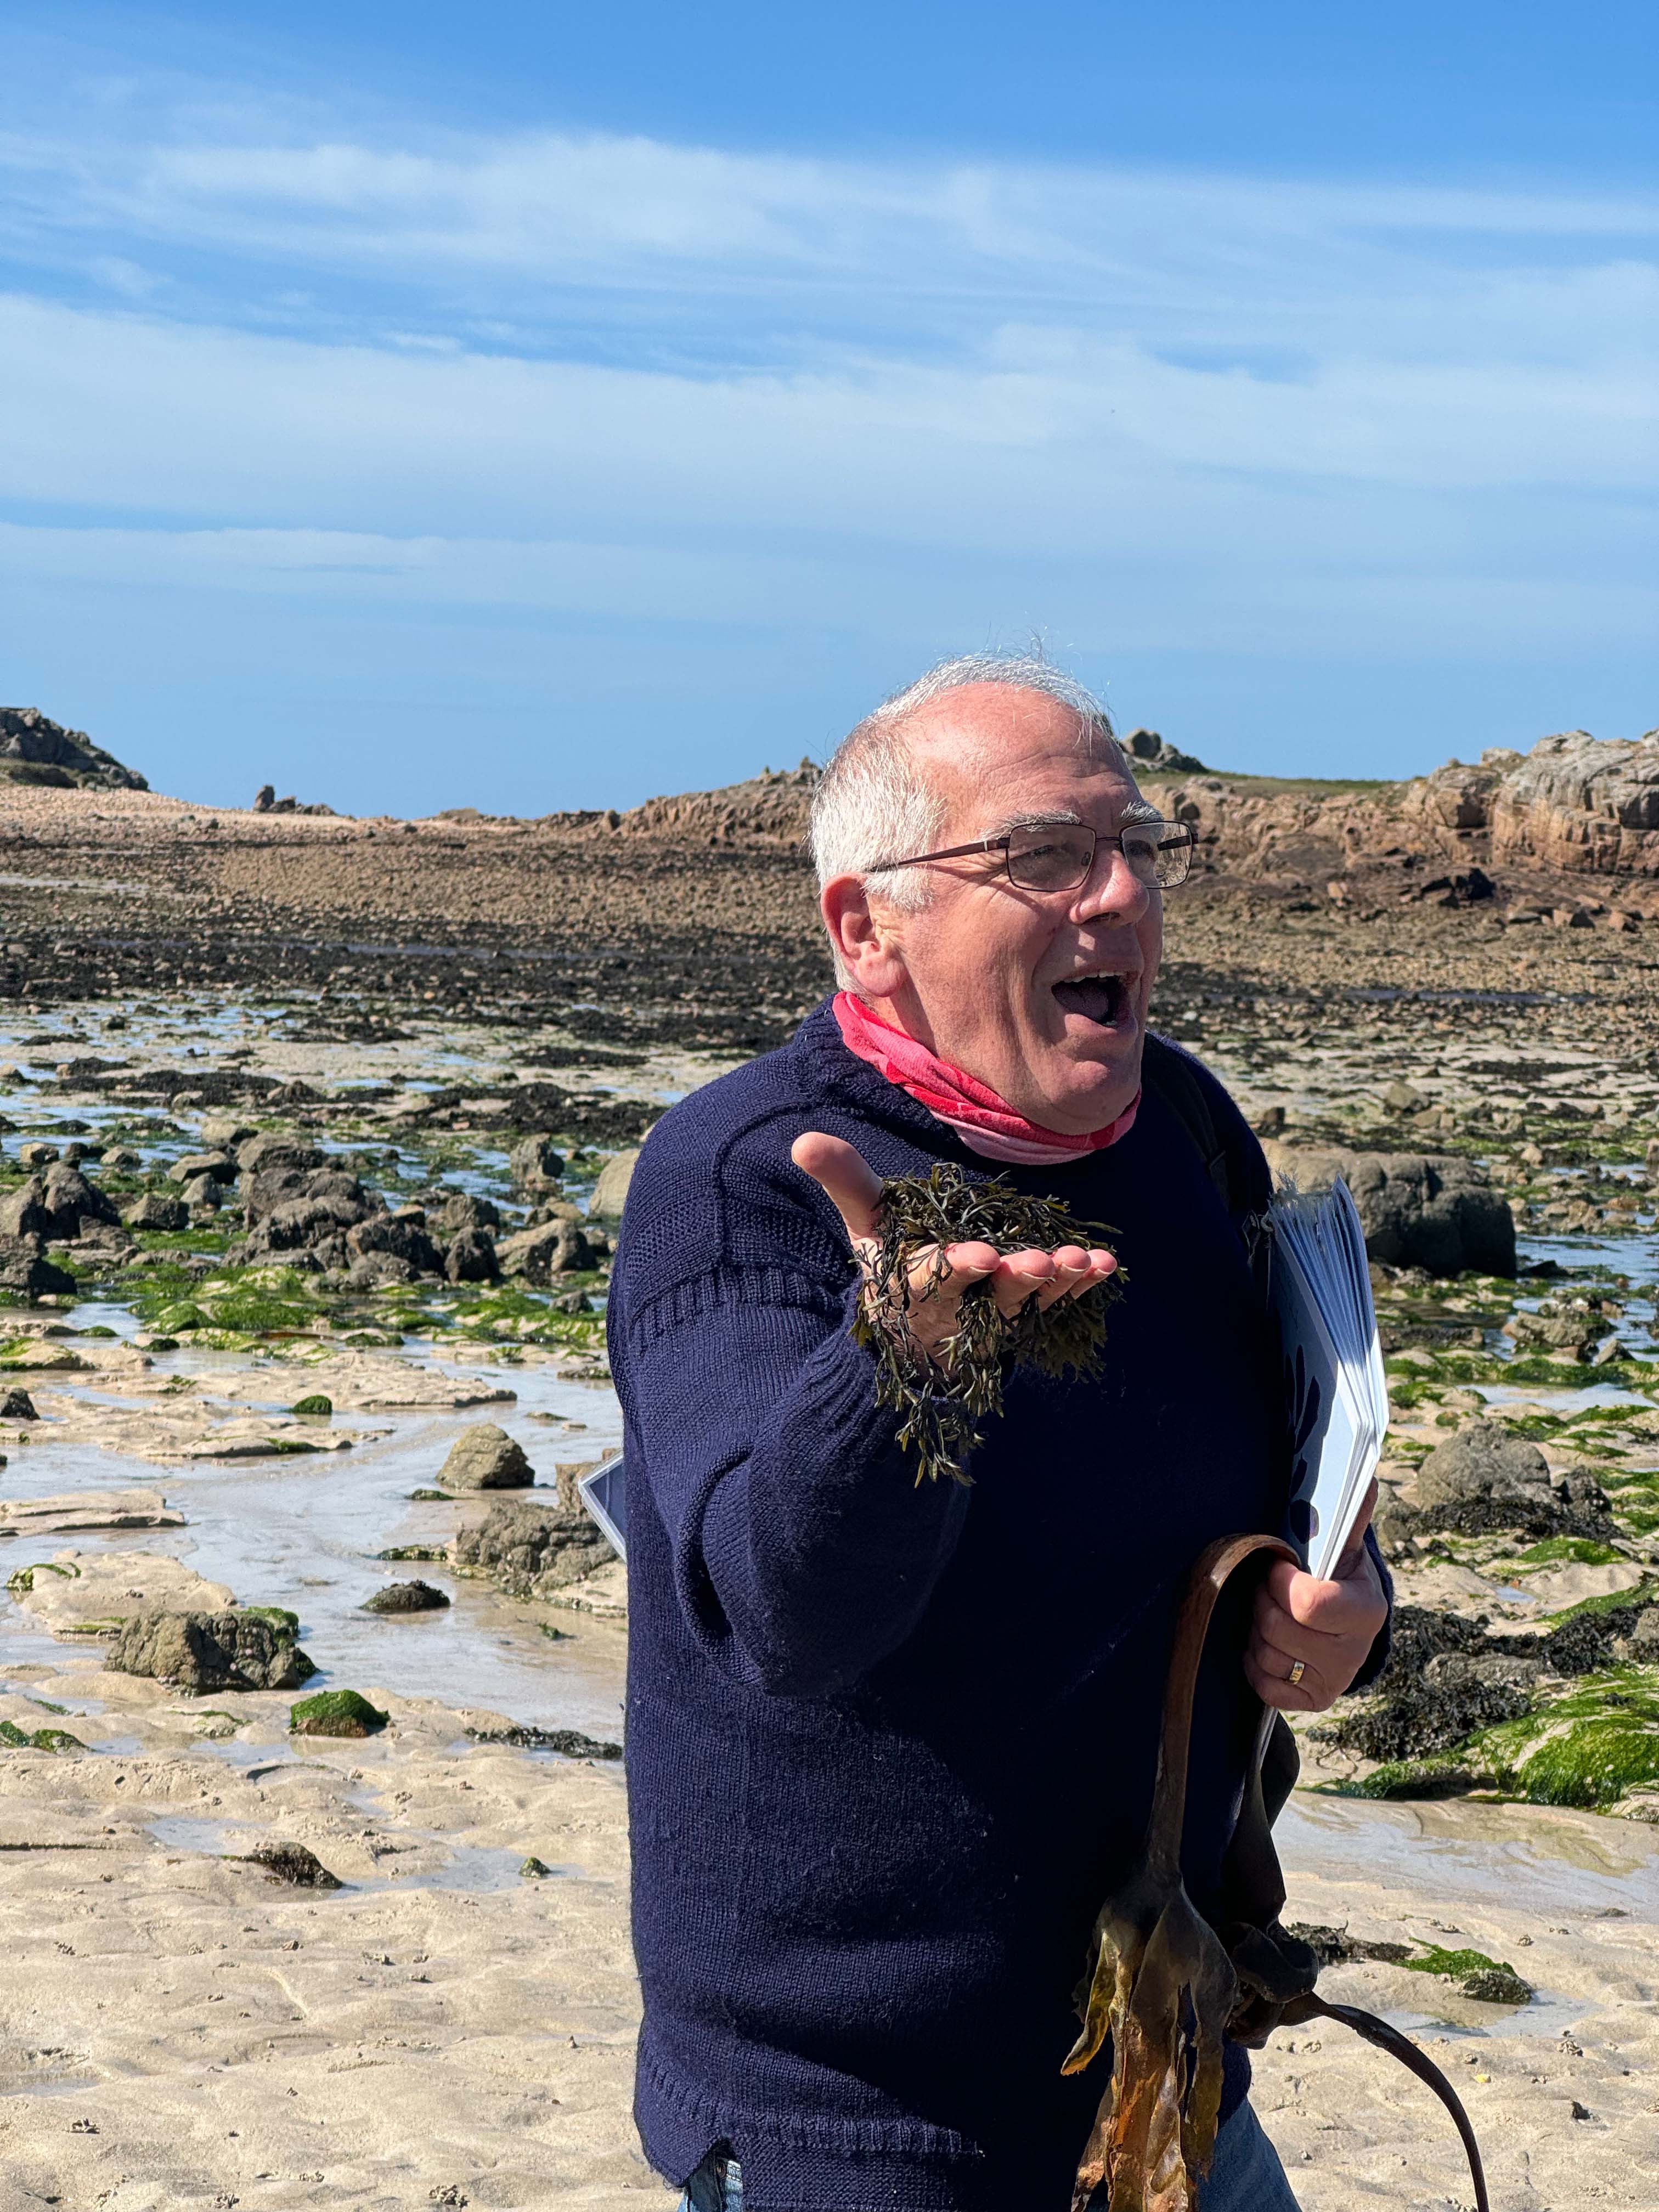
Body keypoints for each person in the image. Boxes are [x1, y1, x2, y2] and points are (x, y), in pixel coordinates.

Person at [607, 654, 1391, 2212]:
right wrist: (902, 1363)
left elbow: (1289, 1448)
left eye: (1137, 848)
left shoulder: (1183, 1130)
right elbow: (776, 1612)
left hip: (1168, 2052)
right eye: (1044, 858)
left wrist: (1349, 1599)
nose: (1119, 898)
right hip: (862, 2121)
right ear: (867, 929)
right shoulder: (743, 1181)